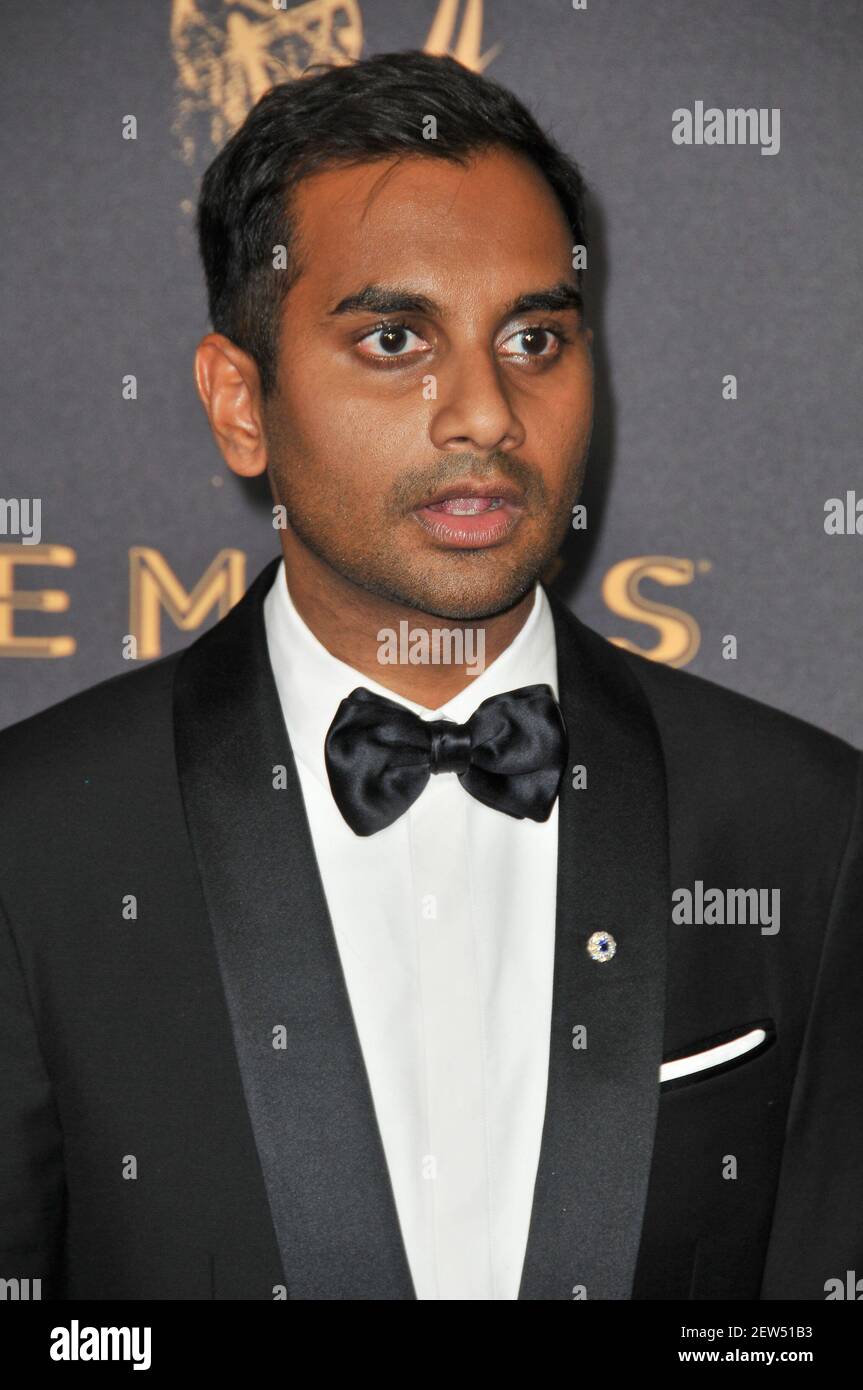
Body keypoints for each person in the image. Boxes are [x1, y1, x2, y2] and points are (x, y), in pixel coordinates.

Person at [1, 50, 861, 1302]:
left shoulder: (801, 827)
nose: (484, 413)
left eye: (533, 336)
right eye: (395, 337)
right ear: (240, 402)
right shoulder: (37, 840)